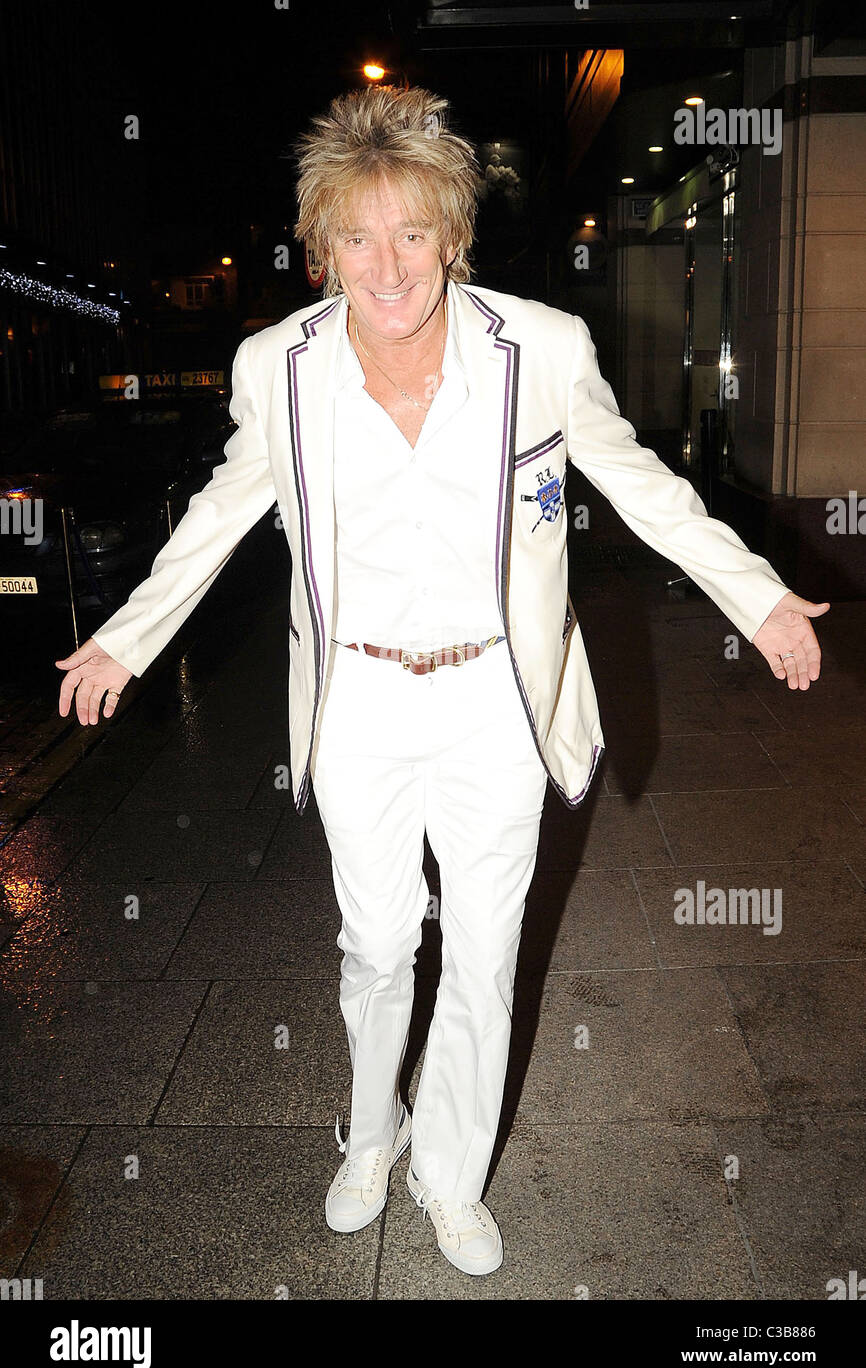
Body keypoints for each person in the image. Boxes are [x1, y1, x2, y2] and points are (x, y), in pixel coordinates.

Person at [56, 85, 829, 1278]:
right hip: (359, 701)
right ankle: (369, 1135)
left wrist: (758, 596)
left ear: (452, 235)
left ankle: (447, 1173)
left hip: (494, 704)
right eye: (355, 236)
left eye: (411, 231)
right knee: (376, 949)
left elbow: (643, 489)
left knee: (483, 948)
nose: (386, 264)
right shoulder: (281, 369)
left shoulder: (541, 353)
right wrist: (125, 635)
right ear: (320, 248)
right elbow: (219, 512)